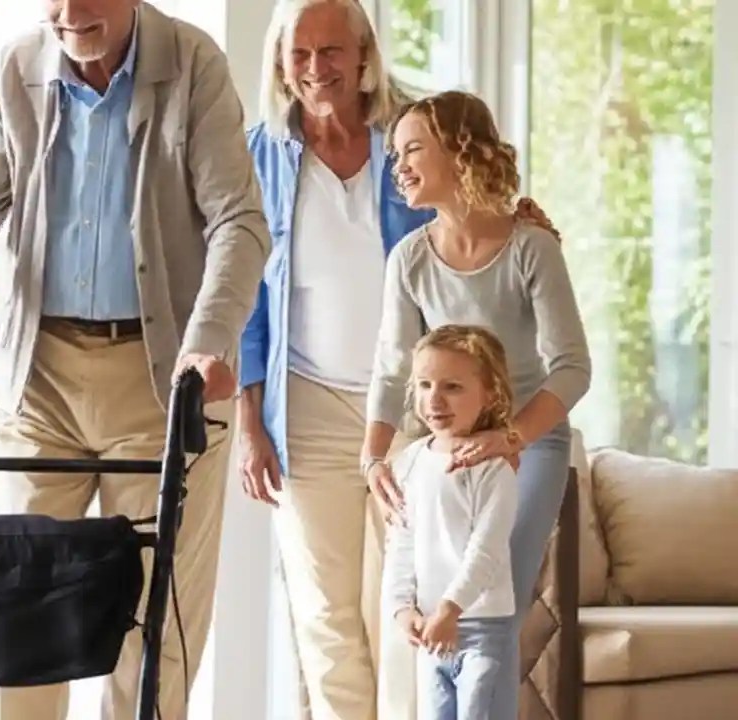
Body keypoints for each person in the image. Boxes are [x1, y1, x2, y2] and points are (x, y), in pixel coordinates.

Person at [0, 1, 271, 719]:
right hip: (41, 377)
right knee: (24, 600)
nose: (70, 14)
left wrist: (208, 339)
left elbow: (238, 221)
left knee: (155, 614)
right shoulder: (17, 67)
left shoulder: (193, 63)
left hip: (166, 375)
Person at [238, 2, 554, 718]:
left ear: (363, 55)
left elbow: (470, 214)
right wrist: (252, 422)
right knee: (324, 609)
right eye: (300, 54)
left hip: (417, 407)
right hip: (308, 401)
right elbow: (245, 299)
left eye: (332, 50)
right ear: (282, 64)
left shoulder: (410, 139)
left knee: (403, 594)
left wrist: (522, 218)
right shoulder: (259, 154)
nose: (316, 68)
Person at [363, 89, 591, 719]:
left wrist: (509, 437)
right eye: (395, 154)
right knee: (436, 604)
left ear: (459, 152)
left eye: (412, 150)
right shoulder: (408, 259)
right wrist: (374, 458)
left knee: (491, 606)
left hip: (531, 442)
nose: (399, 167)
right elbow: (392, 367)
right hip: (443, 451)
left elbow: (573, 367)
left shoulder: (530, 248)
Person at [381, 325, 520, 720]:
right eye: (424, 385)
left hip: (481, 628)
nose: (434, 399)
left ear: (490, 393)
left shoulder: (493, 470)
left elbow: (486, 550)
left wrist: (449, 610)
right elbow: (401, 544)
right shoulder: (409, 462)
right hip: (431, 631)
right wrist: (400, 609)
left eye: (453, 387)